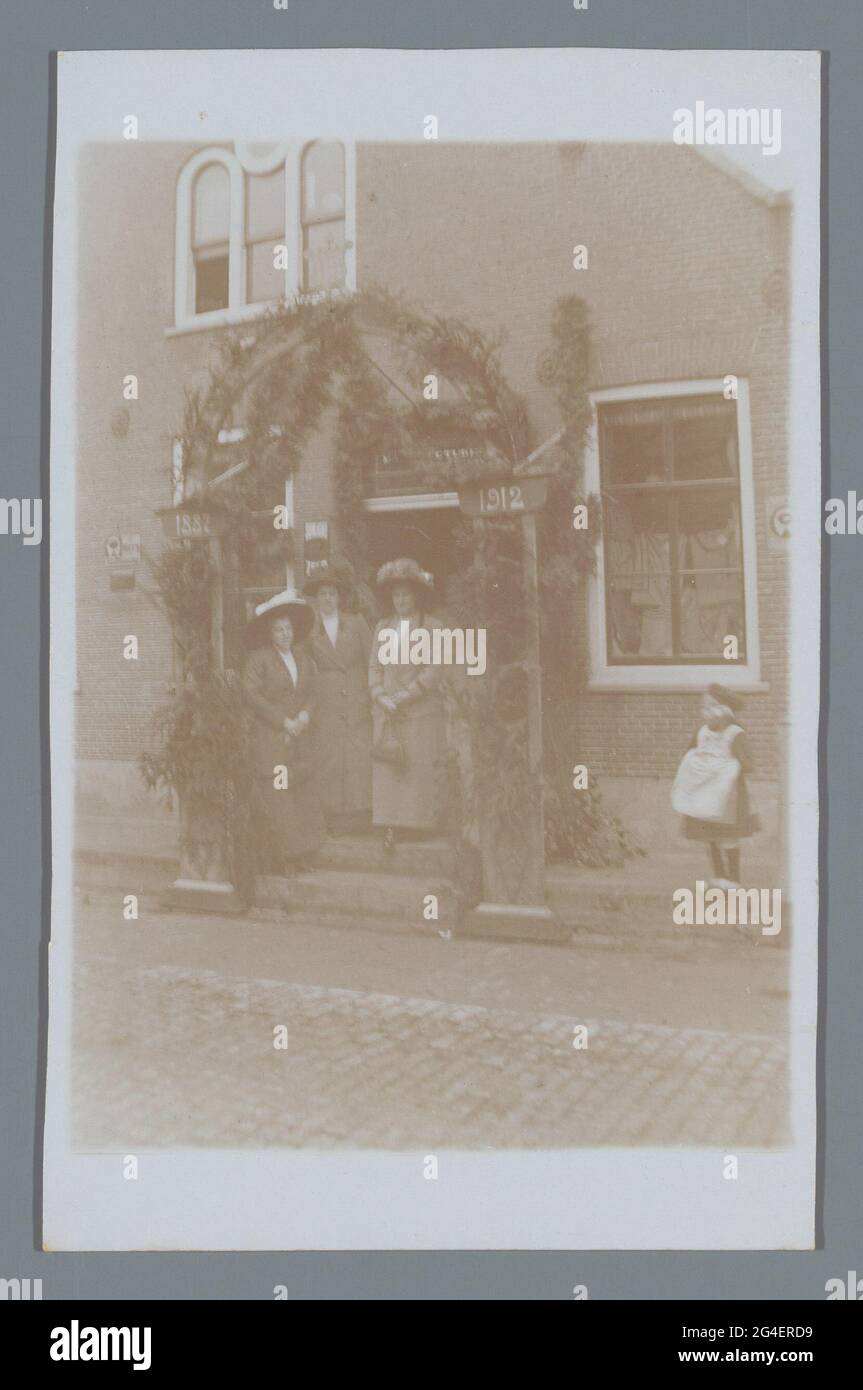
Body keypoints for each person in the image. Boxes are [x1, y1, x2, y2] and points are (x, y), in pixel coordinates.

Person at [242, 590, 326, 875]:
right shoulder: (259, 660)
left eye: (288, 628)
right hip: (273, 741)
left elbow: (313, 692)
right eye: (278, 629)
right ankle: (284, 859)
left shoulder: (302, 658)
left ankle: (304, 854)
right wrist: (283, 722)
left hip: (300, 741)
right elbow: (252, 696)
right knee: (280, 800)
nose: (284, 634)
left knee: (301, 797)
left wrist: (304, 715)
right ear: (270, 633)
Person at [368, 558, 447, 852]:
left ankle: (419, 825)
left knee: (416, 768)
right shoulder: (382, 626)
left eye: (406, 595)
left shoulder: (432, 626)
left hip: (419, 712)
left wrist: (405, 695)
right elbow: (374, 664)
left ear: (417, 596)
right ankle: (391, 825)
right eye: (396, 595)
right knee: (390, 770)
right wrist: (379, 693)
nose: (401, 600)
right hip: (387, 710)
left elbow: (434, 669)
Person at [304, 562, 373, 835]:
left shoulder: (357, 624)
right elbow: (306, 669)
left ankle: (361, 817)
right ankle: (333, 819)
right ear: (317, 599)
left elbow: (372, 661)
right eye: (322, 594)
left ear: (339, 597)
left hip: (356, 700)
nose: (328, 599)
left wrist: (369, 696)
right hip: (327, 704)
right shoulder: (310, 631)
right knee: (330, 760)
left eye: (332, 593)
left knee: (357, 758)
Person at [671, 683, 759, 888]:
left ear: (725, 709)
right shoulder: (702, 732)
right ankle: (719, 877)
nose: (707, 711)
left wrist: (728, 765)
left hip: (730, 796)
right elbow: (690, 752)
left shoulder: (735, 734)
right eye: (704, 706)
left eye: (712, 706)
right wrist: (697, 763)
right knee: (710, 836)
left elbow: (749, 764)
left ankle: (734, 879)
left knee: (728, 837)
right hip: (704, 793)